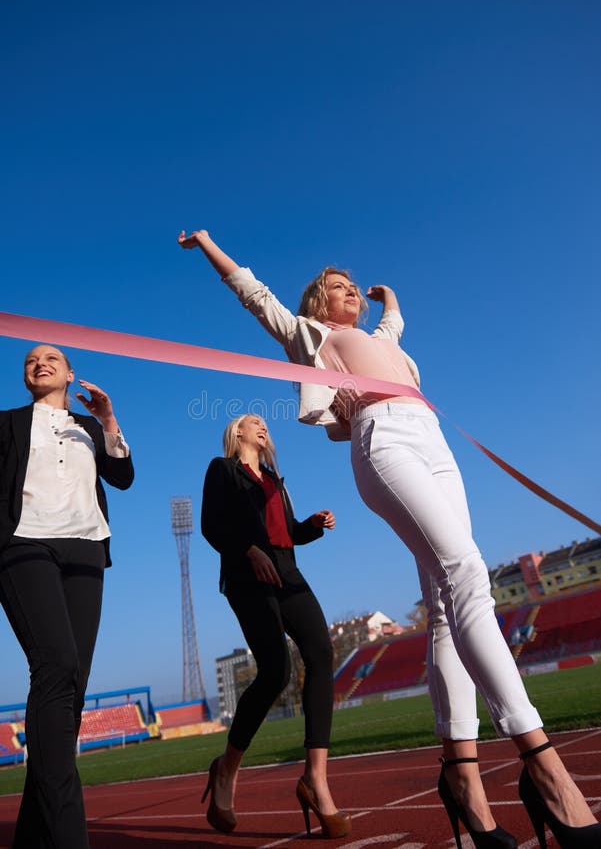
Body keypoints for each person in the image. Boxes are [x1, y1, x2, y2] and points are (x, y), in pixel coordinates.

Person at [180, 227, 600, 849]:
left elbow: (393, 331)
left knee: (442, 609)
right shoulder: (315, 337)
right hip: (385, 439)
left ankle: (465, 785)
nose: (349, 290)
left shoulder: (377, 337)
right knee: (467, 575)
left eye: (354, 286)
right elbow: (257, 296)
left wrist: (391, 302)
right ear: (317, 304)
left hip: (434, 442)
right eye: (336, 286)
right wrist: (214, 247)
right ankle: (545, 766)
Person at [0, 345, 134, 849]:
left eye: (52, 357)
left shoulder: (92, 428)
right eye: (31, 360)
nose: (40, 362)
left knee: (72, 685)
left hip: (86, 549)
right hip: (23, 545)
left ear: (70, 374)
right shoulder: (7, 423)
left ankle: (32, 836)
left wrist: (108, 418)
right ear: (25, 377)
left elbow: (122, 477)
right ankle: (68, 836)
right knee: (54, 665)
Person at [200, 413, 351, 839]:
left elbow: (289, 534)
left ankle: (315, 780)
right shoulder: (222, 469)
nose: (263, 425)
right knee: (276, 672)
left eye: (266, 422)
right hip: (248, 574)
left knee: (321, 651)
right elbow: (212, 525)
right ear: (238, 433)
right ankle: (227, 769)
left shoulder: (273, 477)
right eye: (253, 421)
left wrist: (313, 526)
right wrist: (249, 550)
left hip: (287, 571)